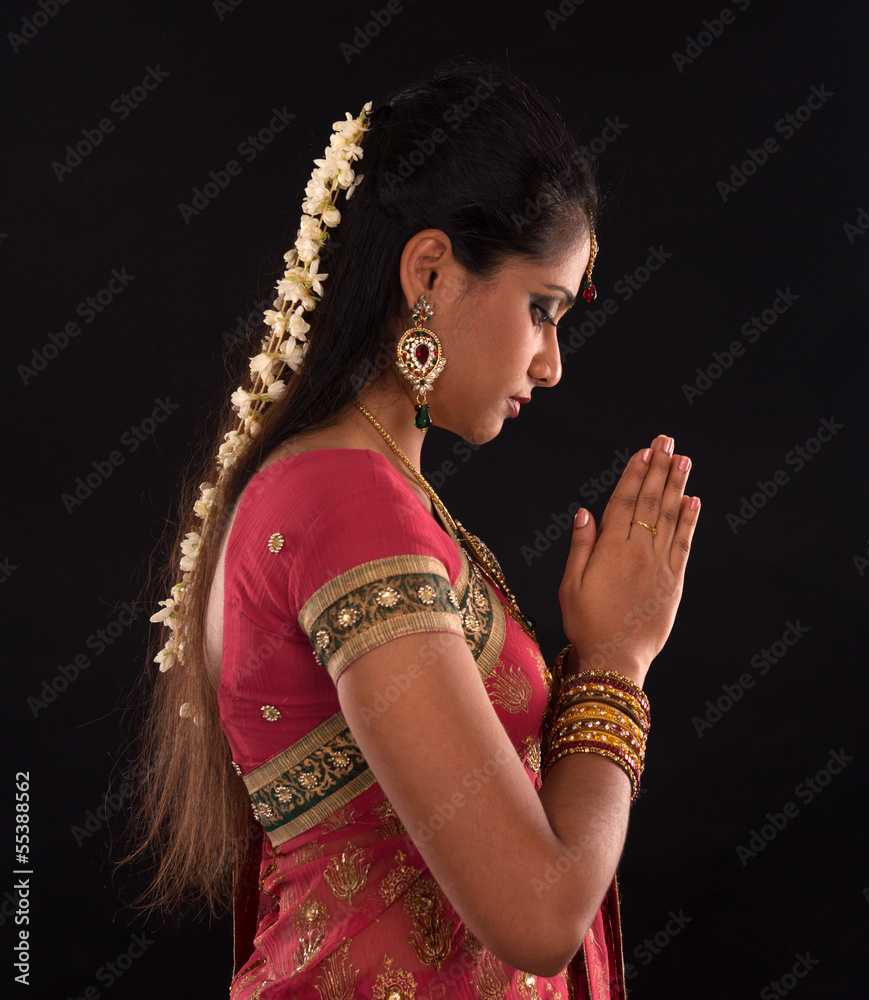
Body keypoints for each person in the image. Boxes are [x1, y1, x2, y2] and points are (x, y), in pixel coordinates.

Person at [125, 59, 700, 999]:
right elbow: (539, 916)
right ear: (430, 270)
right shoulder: (345, 508)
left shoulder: (360, 488)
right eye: (542, 310)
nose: (551, 365)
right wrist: (615, 663)